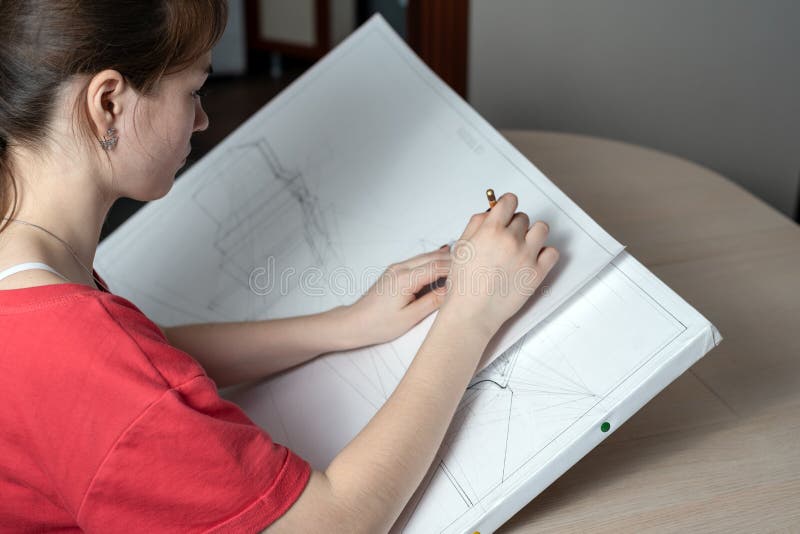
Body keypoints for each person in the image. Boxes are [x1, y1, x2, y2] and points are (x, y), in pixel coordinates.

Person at [0, 1, 559, 532]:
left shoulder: (27, 260)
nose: (202, 119)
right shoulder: (79, 352)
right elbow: (332, 523)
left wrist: (345, 324)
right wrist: (469, 316)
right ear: (108, 103)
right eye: (193, 91)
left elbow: (152, 355)